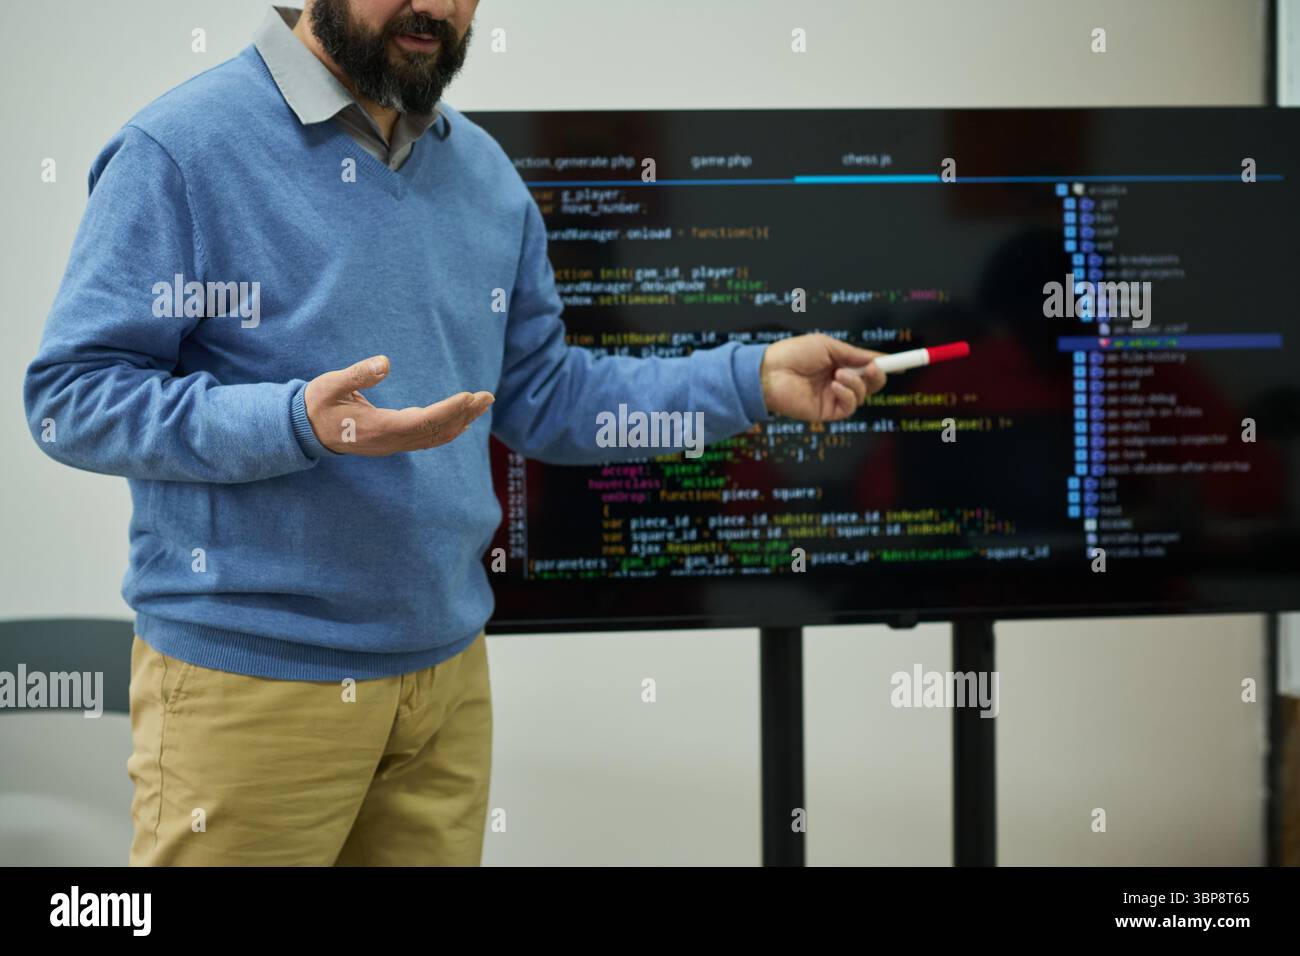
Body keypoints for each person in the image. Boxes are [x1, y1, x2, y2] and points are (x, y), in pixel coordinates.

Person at [23, 0, 888, 866]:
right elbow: (72, 395)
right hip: (253, 684)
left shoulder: (483, 175)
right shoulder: (180, 150)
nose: (432, 5)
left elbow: (547, 394)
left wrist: (751, 379)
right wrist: (293, 422)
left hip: (445, 684)